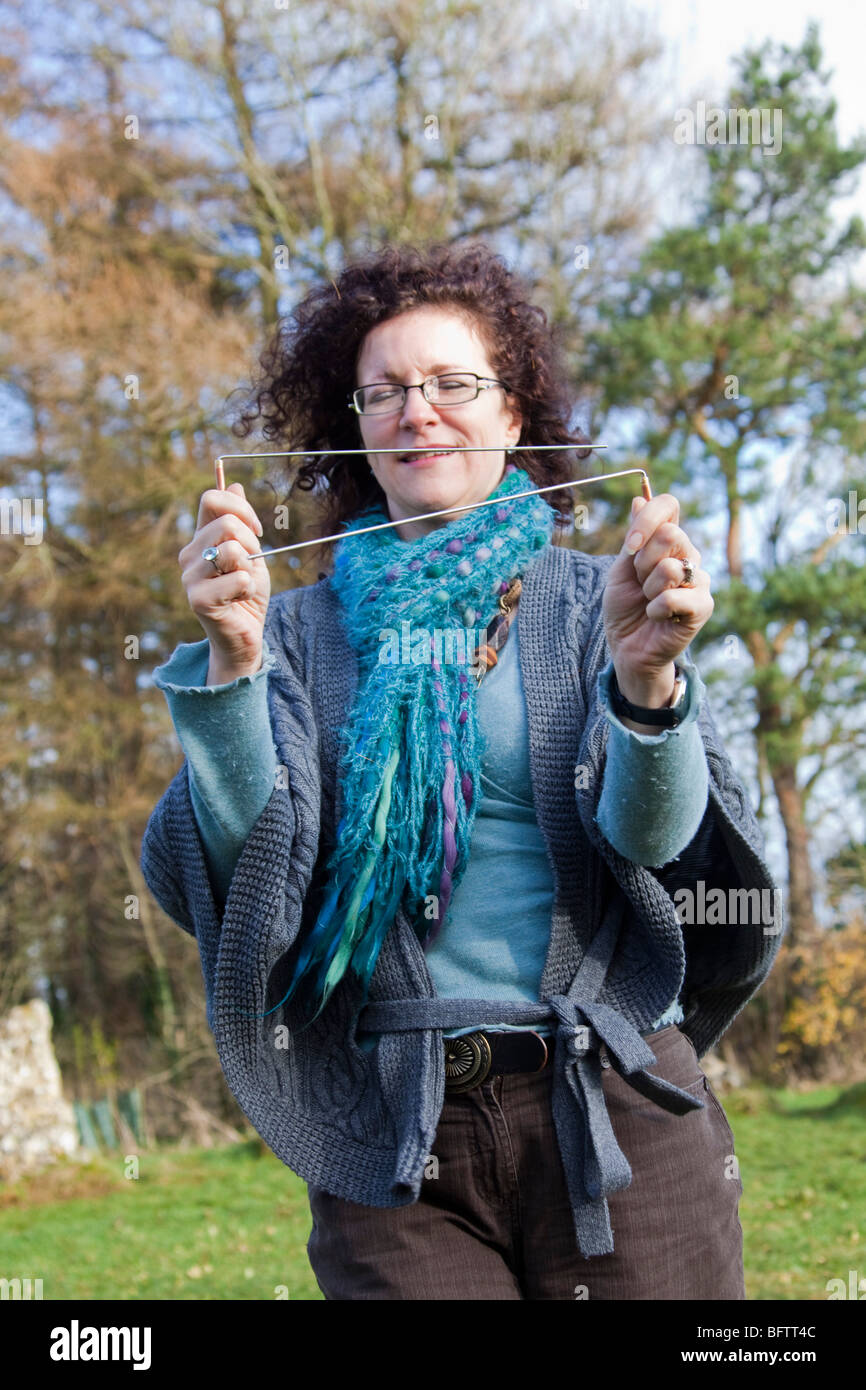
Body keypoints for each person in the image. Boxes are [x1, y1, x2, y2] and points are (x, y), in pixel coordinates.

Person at [140, 240, 783, 1300]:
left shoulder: (594, 604)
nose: (415, 409)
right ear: (355, 429)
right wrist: (236, 670)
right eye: (382, 392)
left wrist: (644, 679)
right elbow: (253, 863)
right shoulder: (290, 629)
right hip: (393, 1133)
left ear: (513, 415)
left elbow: (653, 845)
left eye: (451, 383)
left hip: (613, 1105)